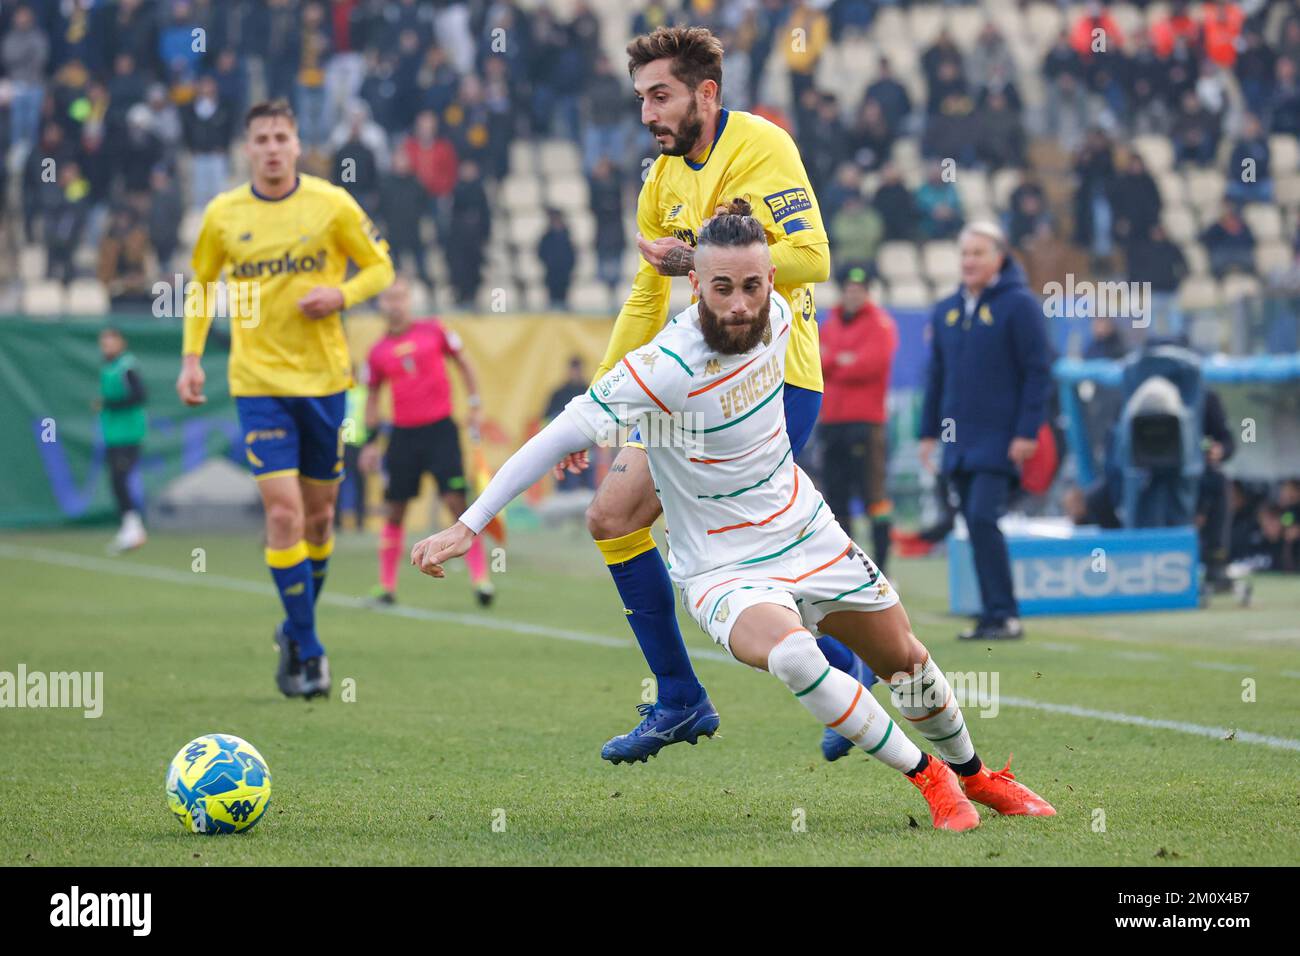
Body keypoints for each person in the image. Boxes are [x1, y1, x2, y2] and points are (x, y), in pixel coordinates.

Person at [411, 204, 1056, 831]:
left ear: (772, 282)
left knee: (906, 661)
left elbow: (810, 253)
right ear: (696, 285)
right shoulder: (663, 366)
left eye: (751, 285)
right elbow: (558, 435)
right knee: (799, 660)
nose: (740, 303)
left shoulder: (777, 315)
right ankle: (931, 780)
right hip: (721, 568)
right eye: (722, 288)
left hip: (806, 528)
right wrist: (468, 524)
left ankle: (975, 774)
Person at [552, 25, 870, 765]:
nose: (647, 114)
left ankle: (835, 674)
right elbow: (642, 298)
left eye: (660, 95)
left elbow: (814, 257)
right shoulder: (661, 181)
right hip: (697, 391)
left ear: (707, 93)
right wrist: (596, 409)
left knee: (750, 561)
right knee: (614, 518)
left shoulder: (762, 146)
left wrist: (698, 259)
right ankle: (687, 698)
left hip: (773, 381)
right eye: (640, 98)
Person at [176, 99, 395, 700]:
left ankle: (294, 629)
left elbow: (381, 269)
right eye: (262, 139)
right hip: (258, 384)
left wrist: (341, 295)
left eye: (281, 137)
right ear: (247, 149)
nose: (272, 147)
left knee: (319, 517)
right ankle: (313, 650)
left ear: (298, 145)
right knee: (282, 514)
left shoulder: (331, 203)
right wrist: (191, 360)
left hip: (326, 382)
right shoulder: (223, 215)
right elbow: (200, 290)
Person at [919, 222, 1051, 641]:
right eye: (965, 254)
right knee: (973, 523)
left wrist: (1027, 431)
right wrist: (928, 433)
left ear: (1000, 257)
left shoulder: (1020, 305)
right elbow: (936, 377)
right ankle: (992, 614)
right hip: (960, 442)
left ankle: (1004, 613)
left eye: (978, 253)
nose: (970, 261)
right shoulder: (945, 311)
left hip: (1000, 438)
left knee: (980, 516)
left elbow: (1038, 371)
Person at [359, 277, 491, 607]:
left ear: (410, 300)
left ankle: (482, 581)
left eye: (401, 297)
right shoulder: (377, 352)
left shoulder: (434, 330)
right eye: (389, 299)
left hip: (440, 432)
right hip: (403, 436)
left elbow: (464, 364)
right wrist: (371, 442)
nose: (396, 304)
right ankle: (386, 587)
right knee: (395, 510)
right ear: (381, 305)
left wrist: (474, 404)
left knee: (457, 503)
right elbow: (373, 397)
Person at [97, 327, 148, 554]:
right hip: (114, 434)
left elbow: (140, 395)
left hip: (128, 434)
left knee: (120, 479)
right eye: (103, 343)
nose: (106, 347)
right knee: (117, 481)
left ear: (121, 343)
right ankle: (130, 528)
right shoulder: (109, 368)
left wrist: (108, 405)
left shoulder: (126, 367)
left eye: (110, 343)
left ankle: (133, 529)